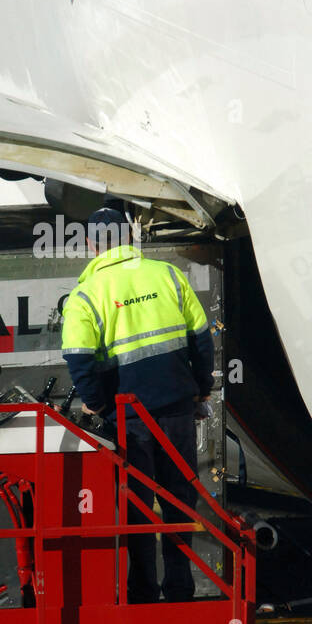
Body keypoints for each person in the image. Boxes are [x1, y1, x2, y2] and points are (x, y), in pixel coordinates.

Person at [61, 206, 215, 603]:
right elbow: (201, 338)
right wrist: (199, 389)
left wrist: (96, 405)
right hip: (176, 410)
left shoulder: (86, 294)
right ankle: (180, 587)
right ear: (130, 238)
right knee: (179, 497)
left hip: (128, 419)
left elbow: (78, 357)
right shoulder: (167, 275)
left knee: (137, 505)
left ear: (93, 244)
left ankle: (143, 592)